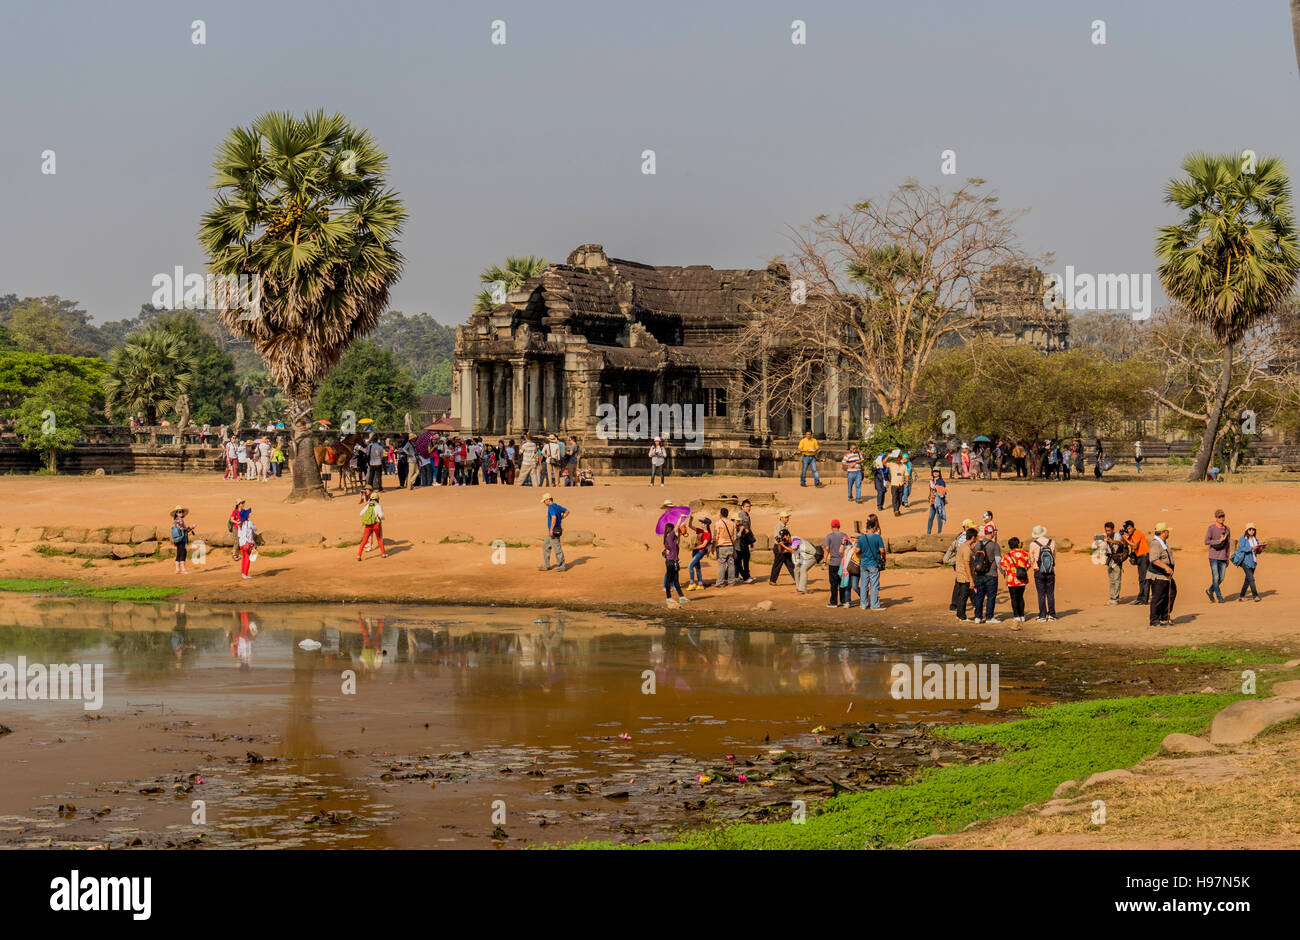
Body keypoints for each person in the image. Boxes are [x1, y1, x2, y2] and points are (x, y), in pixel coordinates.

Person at [970, 523, 1001, 623]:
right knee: (991, 597)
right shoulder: (995, 545)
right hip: (991, 574)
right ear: (992, 533)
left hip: (978, 574)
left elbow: (974, 558)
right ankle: (989, 617)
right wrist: (1002, 570)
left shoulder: (978, 544)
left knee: (979, 596)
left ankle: (978, 617)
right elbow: (998, 560)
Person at [943, 518, 976, 611]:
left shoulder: (962, 535)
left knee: (964, 582)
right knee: (965, 582)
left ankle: (957, 604)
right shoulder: (964, 537)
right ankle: (956, 605)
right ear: (966, 527)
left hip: (960, 562)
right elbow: (964, 552)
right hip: (963, 563)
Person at [1147, 521, 1176, 626]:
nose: (1168, 533)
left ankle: (1164, 616)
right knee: (1158, 597)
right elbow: (1153, 559)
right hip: (1158, 575)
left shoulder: (1163, 542)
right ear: (1163, 532)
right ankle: (1154, 619)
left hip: (1166, 576)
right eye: (1167, 531)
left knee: (1171, 593)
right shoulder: (1155, 543)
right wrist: (1166, 567)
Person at [1028, 524, 1057, 622]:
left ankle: (1042, 615)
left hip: (1038, 571)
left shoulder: (1033, 544)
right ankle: (1052, 614)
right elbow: (1054, 556)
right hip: (1050, 571)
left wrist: (1035, 565)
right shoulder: (1052, 542)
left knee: (1041, 594)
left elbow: (1031, 559)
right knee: (1050, 593)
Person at [857, 514, 886, 610]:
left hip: (863, 563)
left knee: (864, 584)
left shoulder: (861, 538)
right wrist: (883, 558)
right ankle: (874, 605)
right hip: (873, 563)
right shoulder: (877, 537)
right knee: (874, 585)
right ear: (873, 527)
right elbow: (882, 550)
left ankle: (863, 604)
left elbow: (857, 550)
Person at [1094, 521, 1127, 605]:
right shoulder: (1105, 534)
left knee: (1117, 579)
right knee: (1111, 579)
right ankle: (1113, 597)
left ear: (1113, 530)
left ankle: (1115, 598)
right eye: (1106, 530)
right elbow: (1095, 537)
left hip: (1117, 559)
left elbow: (1118, 542)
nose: (1107, 532)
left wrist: (1108, 540)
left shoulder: (1117, 535)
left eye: (1109, 530)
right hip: (1109, 559)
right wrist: (1099, 537)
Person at [1000, 536, 1031, 624]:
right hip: (1022, 579)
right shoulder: (1024, 554)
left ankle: (1016, 616)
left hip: (1011, 580)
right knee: (1020, 597)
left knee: (1014, 598)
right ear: (1018, 544)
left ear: (1010, 546)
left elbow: (1003, 567)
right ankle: (1022, 615)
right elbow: (1028, 565)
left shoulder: (1007, 556)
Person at [1204, 509, 1231, 604]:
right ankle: (1220, 597)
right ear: (1216, 518)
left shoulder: (1227, 529)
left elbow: (1228, 544)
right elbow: (1206, 541)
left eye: (1223, 516)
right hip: (1213, 557)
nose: (1221, 518)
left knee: (1221, 578)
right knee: (1215, 577)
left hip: (1223, 557)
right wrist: (1219, 541)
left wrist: (1228, 557)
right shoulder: (1211, 528)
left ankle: (1210, 590)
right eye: (1219, 517)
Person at [1233, 523, 1265, 602]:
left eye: (1253, 529)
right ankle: (1255, 596)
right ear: (1247, 530)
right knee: (1251, 579)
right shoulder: (1243, 538)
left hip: (1253, 562)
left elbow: (1256, 552)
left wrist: (1260, 549)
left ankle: (1241, 596)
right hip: (1245, 561)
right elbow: (1242, 548)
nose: (1252, 531)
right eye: (1250, 529)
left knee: (1247, 580)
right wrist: (1251, 548)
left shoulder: (1255, 539)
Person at [1122, 520, 1151, 605]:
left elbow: (1134, 545)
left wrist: (1126, 539)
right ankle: (1141, 598)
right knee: (1141, 578)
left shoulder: (1137, 533)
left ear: (1133, 527)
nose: (1128, 530)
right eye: (1126, 529)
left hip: (1144, 557)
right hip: (1140, 558)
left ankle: (1144, 599)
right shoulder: (1131, 535)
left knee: (1145, 578)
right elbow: (1125, 545)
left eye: (1129, 528)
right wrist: (1124, 538)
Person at [953, 524, 977, 622]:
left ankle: (960, 614)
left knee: (963, 596)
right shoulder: (967, 549)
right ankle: (962, 616)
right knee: (963, 596)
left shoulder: (962, 546)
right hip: (965, 576)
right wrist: (971, 579)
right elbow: (967, 564)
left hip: (960, 575)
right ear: (973, 537)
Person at [663, 519, 689, 607]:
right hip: (670, 562)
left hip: (674, 562)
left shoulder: (672, 540)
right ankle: (668, 598)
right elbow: (676, 528)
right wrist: (680, 518)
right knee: (669, 580)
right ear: (670, 530)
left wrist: (681, 533)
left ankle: (681, 597)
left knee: (676, 580)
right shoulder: (669, 536)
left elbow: (677, 541)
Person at [538, 493, 568, 572]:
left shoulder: (551, 507)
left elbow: (554, 518)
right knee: (545, 546)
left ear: (548, 500)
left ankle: (561, 566)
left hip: (553, 531)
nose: (544, 503)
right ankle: (546, 565)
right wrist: (561, 518)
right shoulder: (557, 506)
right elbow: (567, 511)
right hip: (555, 529)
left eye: (544, 501)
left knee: (557, 548)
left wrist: (551, 529)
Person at [824, 519, 847, 607]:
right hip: (842, 563)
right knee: (842, 583)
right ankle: (843, 600)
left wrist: (824, 562)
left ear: (831, 527)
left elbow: (826, 549)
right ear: (839, 526)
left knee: (833, 584)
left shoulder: (829, 536)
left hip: (833, 563)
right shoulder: (844, 535)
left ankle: (833, 602)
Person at [712, 508, 738, 588]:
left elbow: (715, 536)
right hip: (730, 546)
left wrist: (713, 546)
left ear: (720, 514)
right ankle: (731, 582)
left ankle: (720, 583)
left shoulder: (718, 523)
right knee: (731, 564)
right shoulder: (732, 523)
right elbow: (735, 537)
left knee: (721, 565)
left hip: (721, 546)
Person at [769, 510, 796, 585]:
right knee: (778, 564)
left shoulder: (785, 526)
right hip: (779, 548)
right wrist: (787, 548)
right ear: (781, 518)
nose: (787, 518)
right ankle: (772, 580)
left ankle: (798, 579)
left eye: (788, 517)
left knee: (790, 564)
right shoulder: (778, 526)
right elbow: (778, 539)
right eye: (786, 517)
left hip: (785, 547)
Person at [357, 494, 386, 560]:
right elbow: (381, 515)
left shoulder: (368, 505)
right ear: (377, 499)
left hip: (368, 525)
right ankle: (383, 554)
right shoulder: (378, 506)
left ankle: (359, 555)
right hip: (376, 524)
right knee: (379, 539)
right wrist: (383, 518)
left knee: (364, 540)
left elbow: (361, 513)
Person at [687, 516, 711, 591]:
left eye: (702, 522)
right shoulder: (700, 530)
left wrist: (695, 548)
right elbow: (690, 526)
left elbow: (704, 545)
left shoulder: (708, 534)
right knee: (697, 567)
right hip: (695, 551)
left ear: (706, 524)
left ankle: (692, 583)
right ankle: (700, 584)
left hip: (700, 552)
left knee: (690, 566)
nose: (701, 523)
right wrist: (691, 518)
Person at [734, 499, 755, 583]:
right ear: (742, 507)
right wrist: (742, 529)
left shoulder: (747, 515)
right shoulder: (740, 515)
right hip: (740, 540)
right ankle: (742, 576)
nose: (748, 508)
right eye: (746, 506)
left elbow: (749, 529)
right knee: (740, 558)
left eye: (749, 506)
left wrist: (752, 541)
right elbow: (736, 525)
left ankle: (746, 575)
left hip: (745, 540)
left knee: (745, 557)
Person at [170, 505, 194, 575]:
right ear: (176, 513)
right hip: (181, 539)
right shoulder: (179, 520)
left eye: (182, 512)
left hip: (177, 539)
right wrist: (191, 527)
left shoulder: (175, 520)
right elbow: (184, 530)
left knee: (179, 553)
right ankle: (183, 569)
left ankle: (177, 569)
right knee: (183, 553)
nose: (181, 513)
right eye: (179, 512)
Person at [236, 508, 258, 580]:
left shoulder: (240, 524)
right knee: (248, 558)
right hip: (247, 544)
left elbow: (239, 535)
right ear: (246, 516)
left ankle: (243, 573)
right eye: (248, 514)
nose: (249, 514)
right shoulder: (249, 523)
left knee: (244, 558)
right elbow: (255, 529)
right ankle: (245, 574)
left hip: (242, 544)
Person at [926, 470, 948, 535]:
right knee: (930, 518)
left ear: (939, 473)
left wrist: (935, 487)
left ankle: (939, 533)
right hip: (932, 502)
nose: (935, 473)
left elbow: (942, 491)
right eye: (934, 472)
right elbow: (931, 491)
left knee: (939, 518)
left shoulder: (941, 481)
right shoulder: (932, 481)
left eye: (937, 472)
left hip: (939, 502)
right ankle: (928, 533)